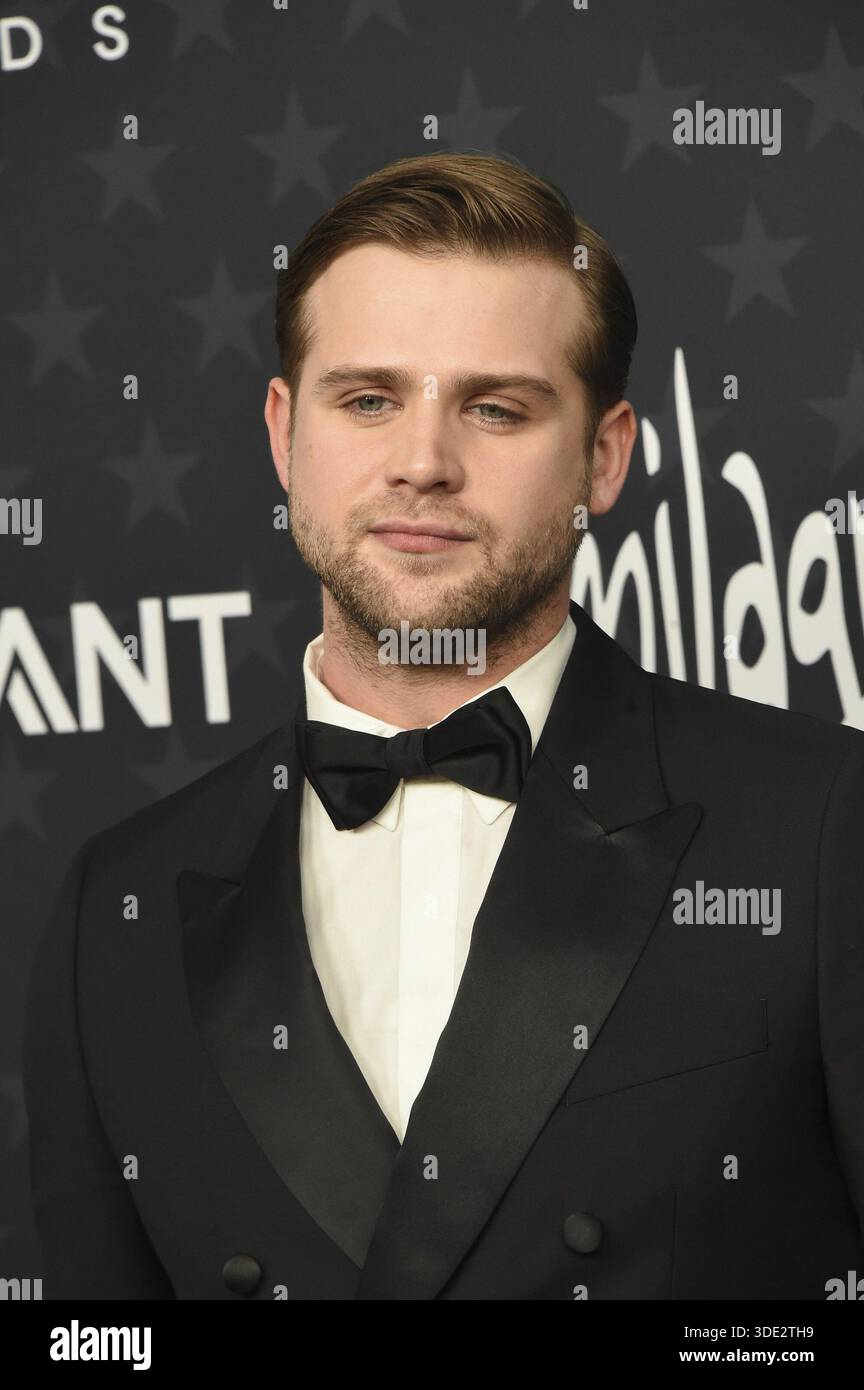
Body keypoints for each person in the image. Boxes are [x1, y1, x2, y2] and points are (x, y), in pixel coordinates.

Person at [22, 152, 864, 1300]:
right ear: (283, 434)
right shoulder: (111, 910)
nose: (422, 464)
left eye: (496, 408)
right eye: (368, 399)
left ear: (604, 457)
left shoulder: (819, 826)